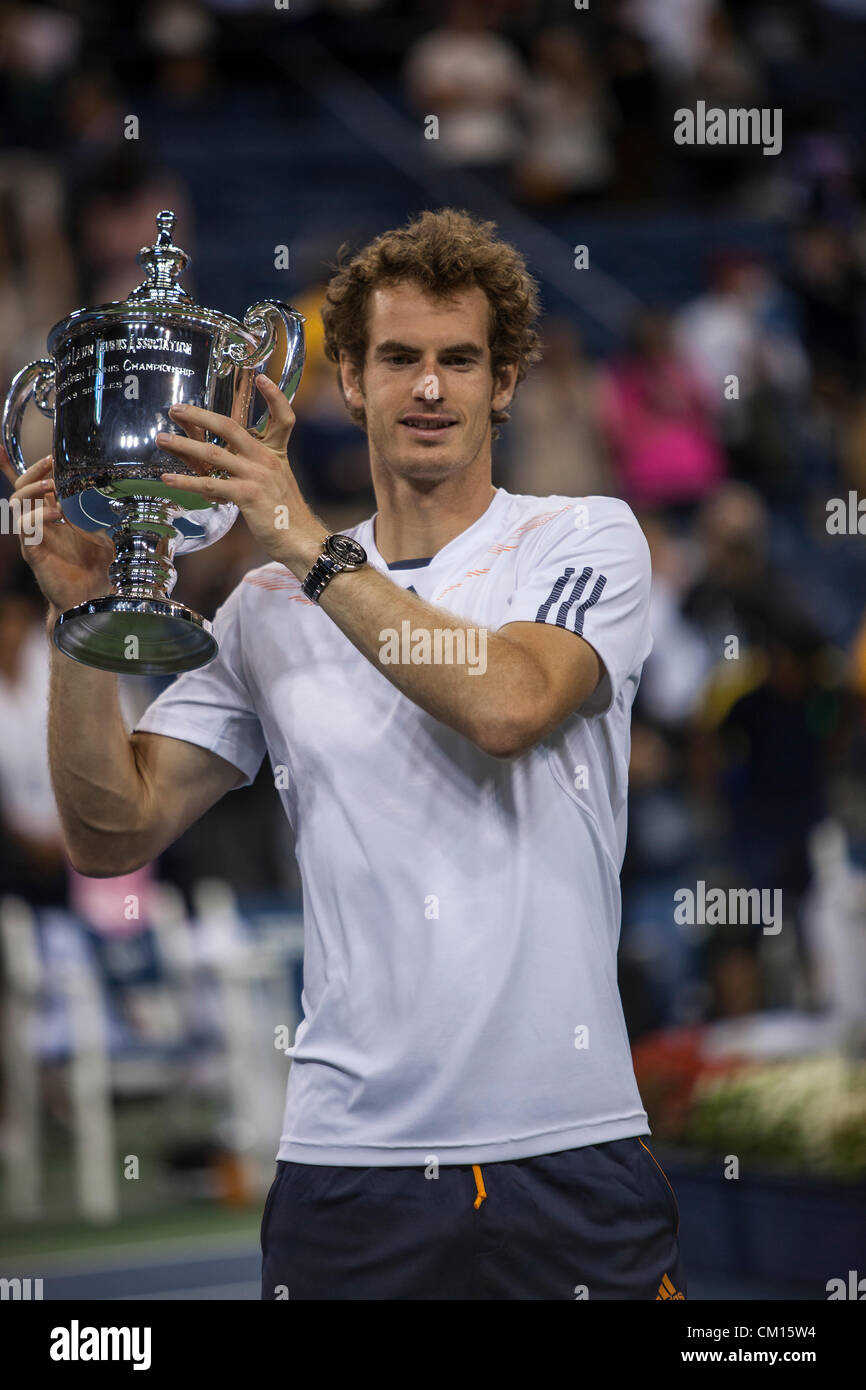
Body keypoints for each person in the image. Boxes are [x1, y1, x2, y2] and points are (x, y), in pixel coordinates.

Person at [3, 207, 683, 1301]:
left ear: (502, 384)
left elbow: (507, 705)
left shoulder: (580, 536)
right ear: (349, 382)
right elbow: (109, 829)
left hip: (566, 1143)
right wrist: (82, 624)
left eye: (459, 360)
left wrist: (305, 544)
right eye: (399, 359)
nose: (429, 388)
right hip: (346, 1169)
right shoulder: (267, 606)